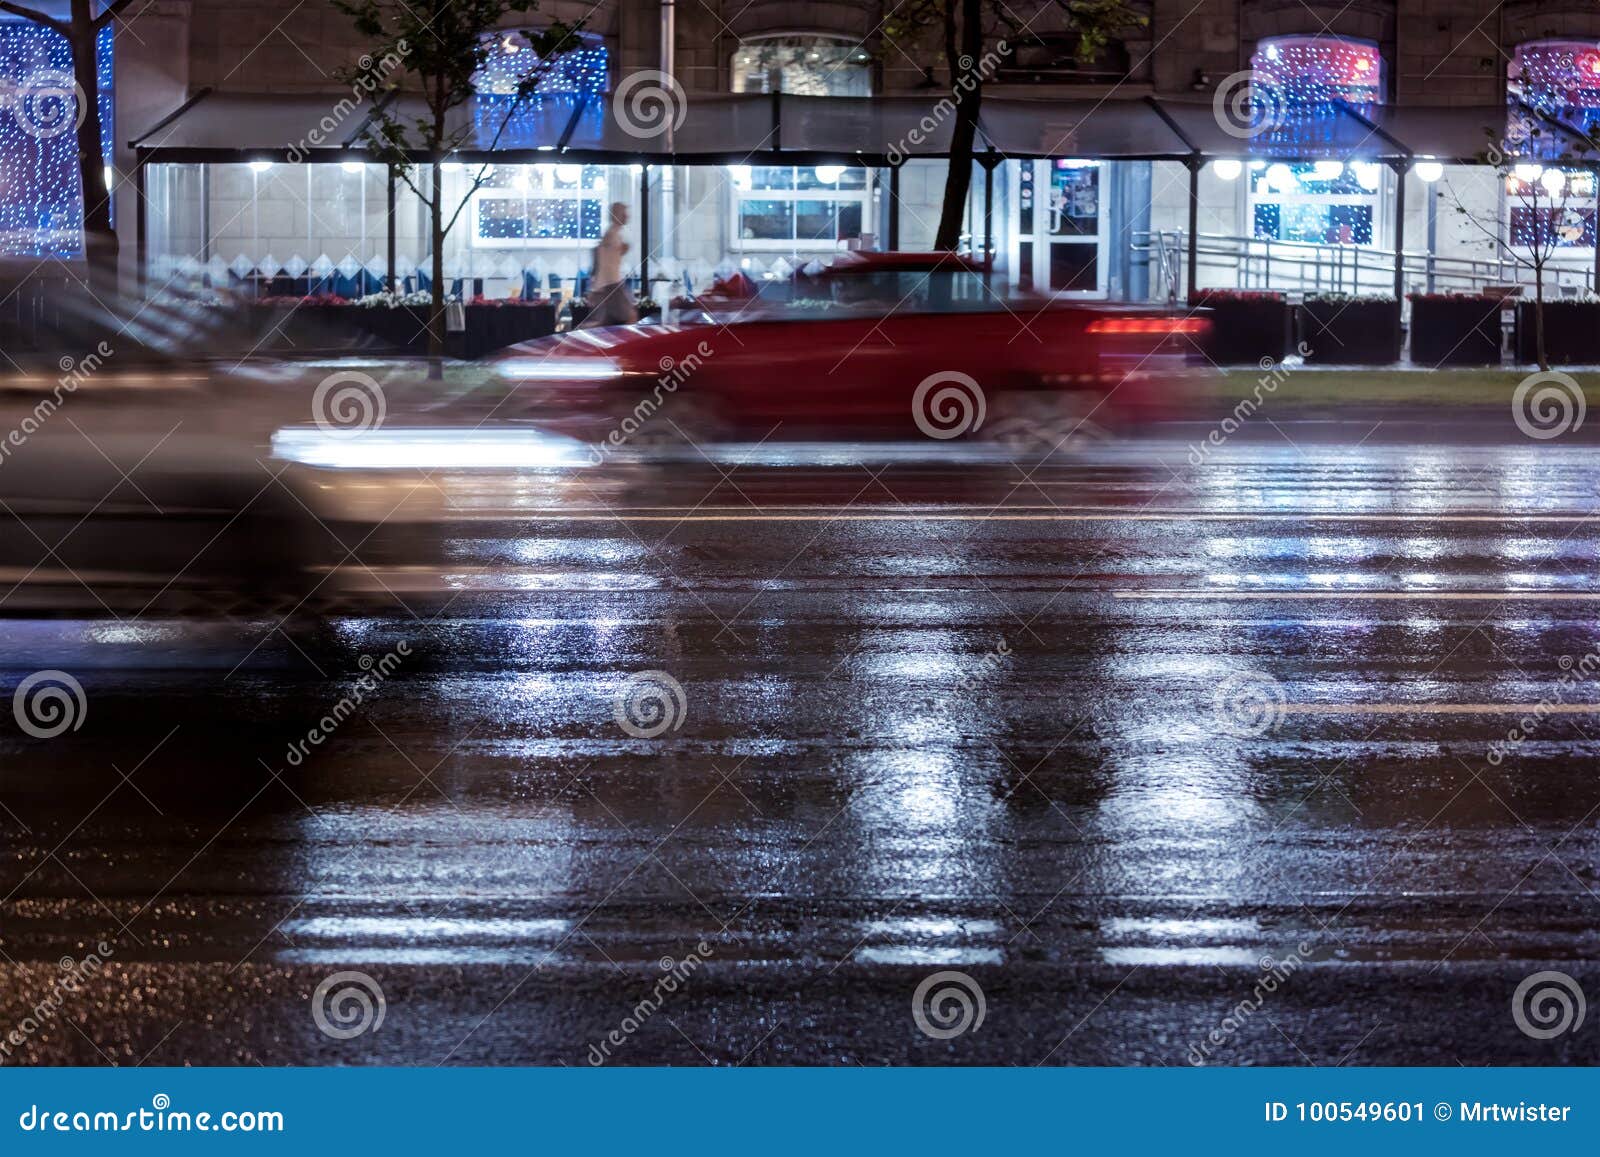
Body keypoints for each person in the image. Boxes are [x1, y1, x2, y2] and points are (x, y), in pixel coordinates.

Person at [578, 201, 638, 328]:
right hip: (612, 284)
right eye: (624, 213)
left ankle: (579, 333)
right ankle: (577, 334)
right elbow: (602, 258)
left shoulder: (613, 234)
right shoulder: (611, 234)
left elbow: (604, 255)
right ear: (618, 214)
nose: (627, 216)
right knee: (630, 317)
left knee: (606, 323)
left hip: (609, 284)